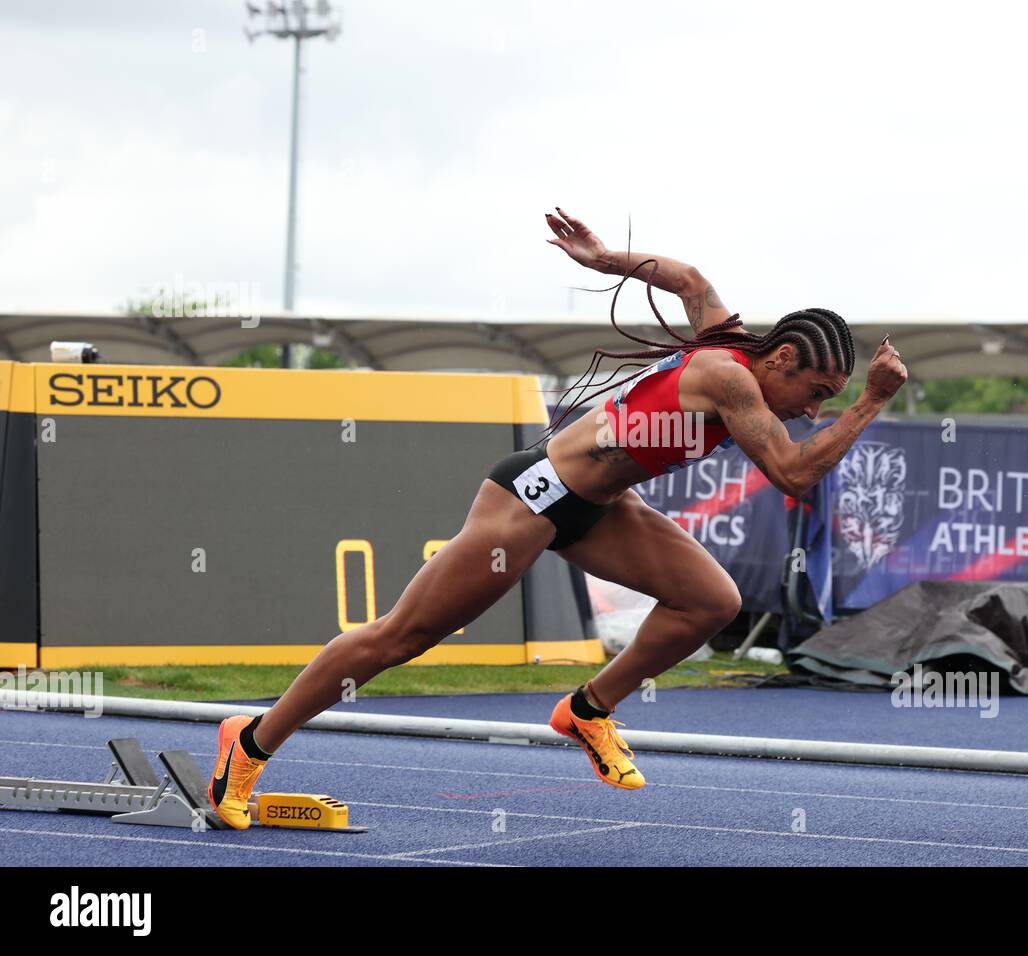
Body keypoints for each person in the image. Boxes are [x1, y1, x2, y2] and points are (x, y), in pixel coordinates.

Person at [206, 207, 908, 827]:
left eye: (828, 402)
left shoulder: (728, 338)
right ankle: (252, 739)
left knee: (710, 602)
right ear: (781, 357)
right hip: (532, 500)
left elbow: (691, 279)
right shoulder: (729, 375)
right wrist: (870, 401)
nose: (812, 411)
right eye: (814, 393)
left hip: (600, 508)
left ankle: (588, 709)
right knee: (400, 639)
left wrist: (607, 260)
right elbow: (792, 473)